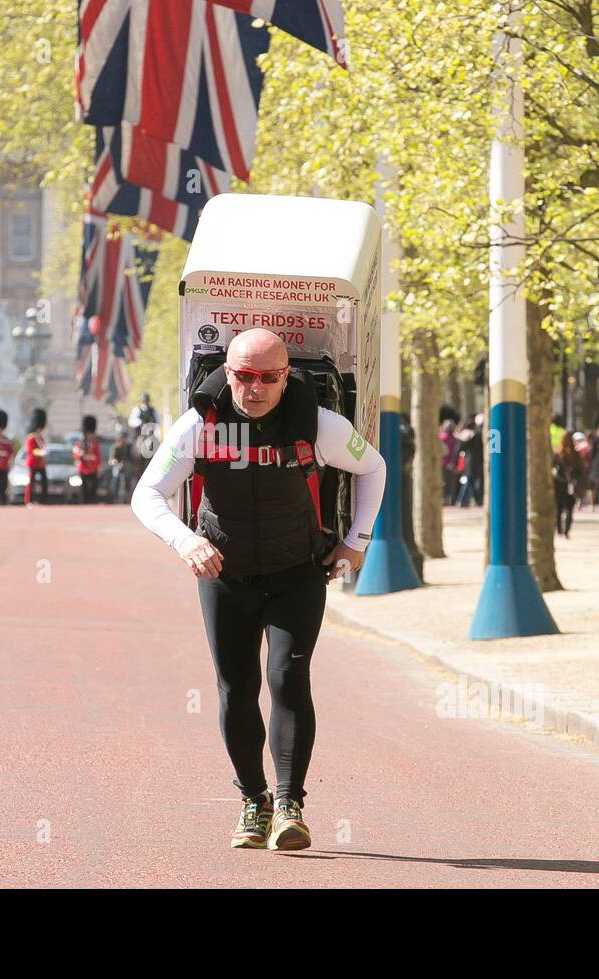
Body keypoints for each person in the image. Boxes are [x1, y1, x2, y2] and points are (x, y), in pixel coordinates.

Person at [131, 329, 387, 852]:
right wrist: (186, 543)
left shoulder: (318, 423)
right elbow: (147, 493)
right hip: (225, 573)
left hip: (297, 570)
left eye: (269, 377)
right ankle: (254, 800)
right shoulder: (198, 425)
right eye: (244, 376)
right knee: (236, 687)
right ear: (227, 373)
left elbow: (373, 467)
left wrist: (357, 541)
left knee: (288, 675)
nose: (255, 387)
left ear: (286, 375)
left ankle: (290, 805)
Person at [553, 432, 584, 538]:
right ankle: (565, 530)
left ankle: (560, 530)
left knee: (559, 508)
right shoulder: (574, 454)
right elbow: (580, 470)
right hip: (570, 484)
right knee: (568, 508)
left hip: (560, 484)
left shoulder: (558, 454)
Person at [73, 415, 103, 504]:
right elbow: (75, 454)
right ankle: (83, 503)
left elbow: (98, 456)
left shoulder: (95, 443)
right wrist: (81, 455)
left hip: (93, 468)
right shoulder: (80, 443)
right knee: (84, 488)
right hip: (83, 467)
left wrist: (97, 464)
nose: (90, 435)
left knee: (93, 487)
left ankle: (92, 502)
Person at [24, 408, 49, 505]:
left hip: (41, 463)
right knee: (31, 482)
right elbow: (31, 451)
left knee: (44, 482)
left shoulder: (41, 437)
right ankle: (28, 500)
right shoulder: (31, 437)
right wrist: (41, 453)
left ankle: (43, 499)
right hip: (33, 462)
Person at [109, 430, 135, 503]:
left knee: (128, 477)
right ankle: (115, 495)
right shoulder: (115, 447)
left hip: (126, 464)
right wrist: (114, 461)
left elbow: (132, 457)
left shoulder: (129, 446)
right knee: (116, 477)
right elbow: (111, 458)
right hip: (117, 464)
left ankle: (127, 494)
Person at [438, 420, 459, 505]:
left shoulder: (442, 437)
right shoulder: (454, 438)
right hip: (450, 463)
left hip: (442, 462)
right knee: (450, 483)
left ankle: (444, 499)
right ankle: (450, 499)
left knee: (443, 482)